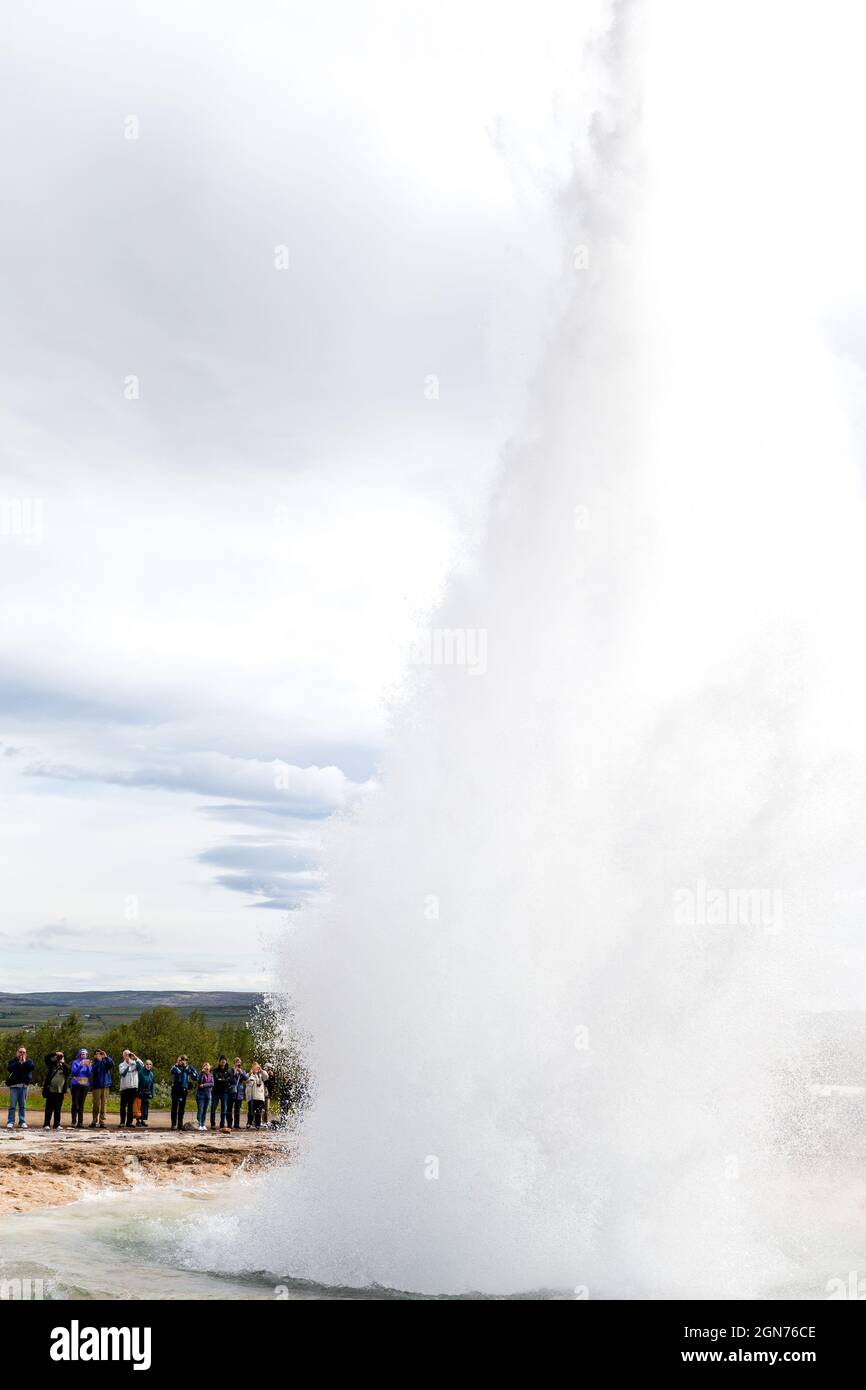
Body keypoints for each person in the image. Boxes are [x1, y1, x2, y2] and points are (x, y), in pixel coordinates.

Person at [6, 1046, 35, 1130]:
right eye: (20, 1052)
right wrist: (19, 1062)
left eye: (23, 1052)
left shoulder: (29, 1061)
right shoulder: (13, 1061)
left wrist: (24, 1062)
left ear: (26, 1053)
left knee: (22, 1106)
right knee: (12, 1105)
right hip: (14, 1086)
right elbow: (9, 1068)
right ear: (17, 1052)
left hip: (24, 1087)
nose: (22, 1053)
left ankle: (22, 1122)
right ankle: (10, 1122)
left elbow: (32, 1067)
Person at [42, 1050, 70, 1129]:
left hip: (60, 1091)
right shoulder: (52, 1065)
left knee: (58, 1109)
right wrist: (55, 1053)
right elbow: (46, 1058)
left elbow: (68, 1072)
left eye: (61, 1057)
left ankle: (57, 1124)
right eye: (59, 1057)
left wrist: (62, 1063)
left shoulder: (65, 1066)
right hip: (50, 1090)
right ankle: (46, 1124)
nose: (59, 1058)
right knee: (49, 1109)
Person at [170, 1055, 197, 1131]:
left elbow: (195, 1077)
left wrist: (188, 1070)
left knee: (182, 1108)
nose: (183, 1061)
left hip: (184, 1089)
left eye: (185, 1060)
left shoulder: (189, 1067)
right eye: (182, 1060)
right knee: (174, 1107)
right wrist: (177, 1064)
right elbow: (171, 1071)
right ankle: (173, 1124)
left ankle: (180, 1124)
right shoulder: (175, 1067)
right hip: (175, 1088)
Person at [89, 1049, 115, 1129]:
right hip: (96, 1086)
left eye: (100, 1054)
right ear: (95, 1055)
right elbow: (93, 1070)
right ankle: (94, 1121)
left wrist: (106, 1056)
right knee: (96, 1104)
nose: (98, 1055)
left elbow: (112, 1065)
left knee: (104, 1105)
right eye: (97, 1054)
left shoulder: (106, 1062)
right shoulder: (93, 1063)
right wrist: (99, 1061)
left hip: (105, 1086)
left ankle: (102, 1122)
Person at [118, 1050, 141, 1129]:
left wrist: (136, 1058)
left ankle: (129, 1122)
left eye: (129, 1054)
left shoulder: (135, 1063)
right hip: (124, 1088)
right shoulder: (121, 1065)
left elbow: (141, 1067)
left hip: (133, 1087)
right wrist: (128, 1065)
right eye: (126, 1054)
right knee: (123, 1106)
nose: (127, 1056)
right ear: (123, 1056)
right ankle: (122, 1122)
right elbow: (123, 1074)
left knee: (131, 1106)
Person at [69, 1048, 91, 1128]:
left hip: (84, 1084)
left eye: (84, 1054)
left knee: (81, 1103)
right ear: (79, 1054)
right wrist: (80, 1066)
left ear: (87, 1055)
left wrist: (88, 1067)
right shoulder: (75, 1062)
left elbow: (89, 1074)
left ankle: (80, 1122)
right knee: (75, 1103)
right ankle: (73, 1121)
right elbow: (74, 1072)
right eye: (82, 1054)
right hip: (76, 1084)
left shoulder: (88, 1062)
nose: (83, 1055)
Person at [211, 1056, 231, 1130]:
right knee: (213, 1108)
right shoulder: (215, 1070)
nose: (223, 1061)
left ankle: (222, 1124)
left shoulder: (228, 1071)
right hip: (216, 1092)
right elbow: (216, 1079)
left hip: (225, 1092)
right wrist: (225, 1080)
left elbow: (230, 1080)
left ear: (226, 1061)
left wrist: (222, 1080)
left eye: (224, 1060)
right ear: (219, 1062)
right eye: (222, 1060)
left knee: (224, 1109)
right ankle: (213, 1124)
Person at [226, 1058, 246, 1130]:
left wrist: (241, 1073)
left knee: (237, 1109)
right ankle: (229, 1124)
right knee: (229, 1109)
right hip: (231, 1092)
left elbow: (246, 1078)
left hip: (239, 1093)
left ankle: (236, 1124)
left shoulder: (242, 1071)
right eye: (237, 1062)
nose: (238, 1063)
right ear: (234, 1063)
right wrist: (234, 1073)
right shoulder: (230, 1071)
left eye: (239, 1062)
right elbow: (228, 1079)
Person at [246, 1063, 267, 1129]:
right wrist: (250, 1074)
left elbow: (266, 1077)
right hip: (251, 1096)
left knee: (259, 1111)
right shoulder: (249, 1074)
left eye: (257, 1068)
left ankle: (257, 1124)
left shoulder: (261, 1075)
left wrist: (261, 1070)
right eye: (254, 1068)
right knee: (251, 1111)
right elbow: (245, 1080)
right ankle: (249, 1123)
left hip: (259, 1096)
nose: (256, 1069)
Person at [136, 1059, 155, 1126]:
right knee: (139, 1107)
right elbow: (137, 1082)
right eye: (147, 1064)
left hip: (147, 1092)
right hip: (140, 1091)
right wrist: (138, 1091)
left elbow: (152, 1084)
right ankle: (138, 1121)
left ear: (151, 1066)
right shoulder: (141, 1072)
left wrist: (152, 1093)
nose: (148, 1065)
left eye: (150, 1064)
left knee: (145, 1107)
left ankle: (143, 1120)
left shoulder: (151, 1074)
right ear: (144, 1065)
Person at [195, 1063, 214, 1131]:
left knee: (205, 1110)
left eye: (207, 1067)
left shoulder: (211, 1075)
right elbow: (199, 1082)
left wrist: (204, 1085)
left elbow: (212, 1084)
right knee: (201, 1109)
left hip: (208, 1095)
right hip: (200, 1094)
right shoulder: (201, 1074)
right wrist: (202, 1073)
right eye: (205, 1067)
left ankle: (203, 1124)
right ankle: (199, 1124)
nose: (206, 1068)